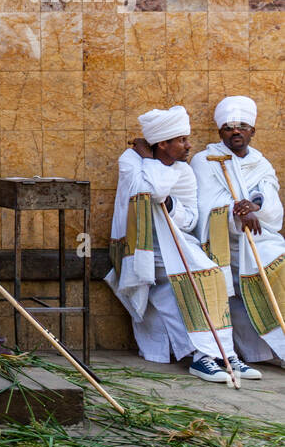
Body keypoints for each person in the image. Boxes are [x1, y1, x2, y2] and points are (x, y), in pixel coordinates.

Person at [105, 106, 243, 383]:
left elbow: (190, 218)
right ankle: (202, 354)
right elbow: (149, 192)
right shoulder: (131, 160)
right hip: (137, 248)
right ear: (163, 144)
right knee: (187, 279)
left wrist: (171, 204)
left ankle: (219, 352)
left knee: (210, 275)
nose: (188, 146)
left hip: (176, 244)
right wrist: (149, 160)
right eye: (181, 140)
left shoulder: (183, 170)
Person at [192, 96, 281, 370]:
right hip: (221, 241)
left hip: (258, 238)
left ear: (252, 131)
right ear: (221, 132)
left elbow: (272, 203)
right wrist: (234, 210)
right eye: (229, 127)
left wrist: (255, 205)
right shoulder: (204, 160)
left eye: (242, 126)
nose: (235, 131)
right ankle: (250, 354)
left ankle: (278, 349)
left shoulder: (261, 163)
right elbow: (203, 205)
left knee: (279, 265)